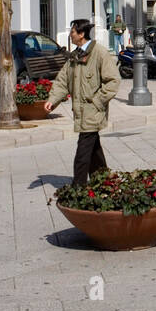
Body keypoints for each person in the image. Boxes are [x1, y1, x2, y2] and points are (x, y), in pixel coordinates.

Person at [46, 19, 120, 186]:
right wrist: (52, 100)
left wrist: (98, 101)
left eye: (72, 32)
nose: (70, 35)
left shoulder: (100, 53)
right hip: (81, 111)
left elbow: (113, 80)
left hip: (93, 111)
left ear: (81, 34)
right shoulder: (75, 56)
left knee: (82, 153)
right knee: (94, 150)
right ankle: (103, 181)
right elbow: (63, 80)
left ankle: (78, 187)